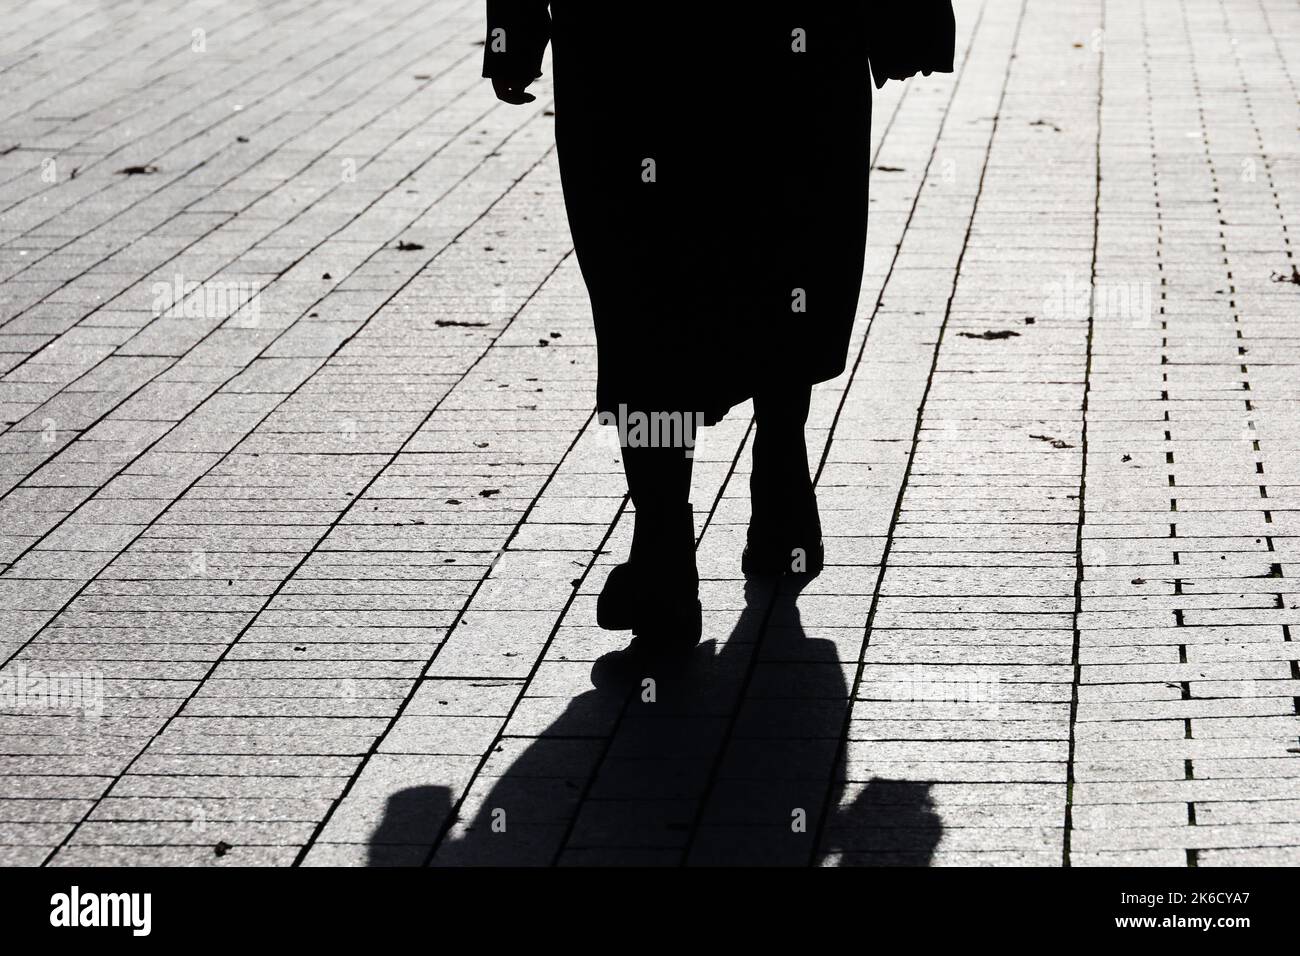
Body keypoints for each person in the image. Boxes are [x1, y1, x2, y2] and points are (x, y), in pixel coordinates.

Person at [484, 2, 955, 663]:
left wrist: (515, 27)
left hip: (631, 41)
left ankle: (665, 549)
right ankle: (781, 476)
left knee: (645, 285)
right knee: (784, 243)